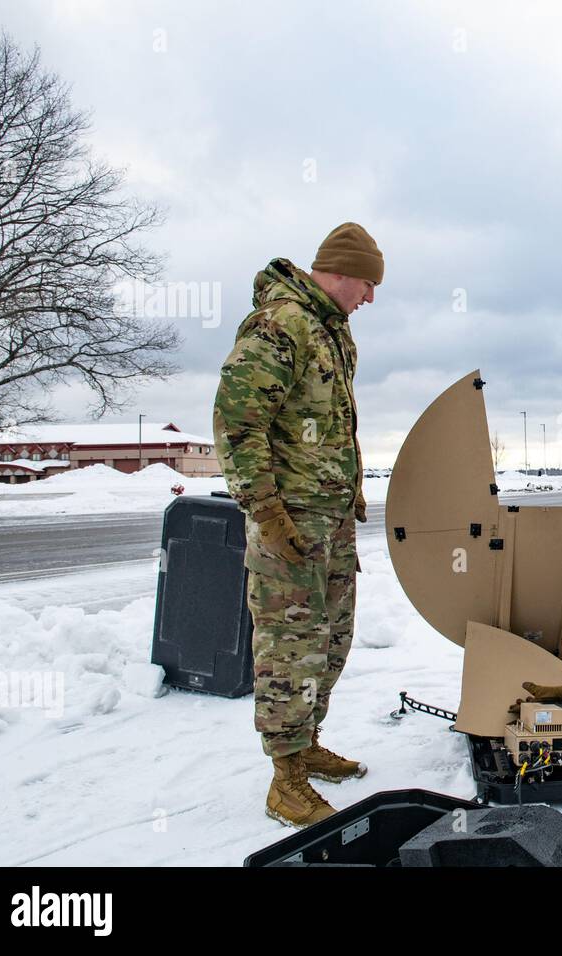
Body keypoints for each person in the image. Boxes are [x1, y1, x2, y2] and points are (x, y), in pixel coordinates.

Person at [213, 222, 383, 828]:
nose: (370, 297)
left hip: (329, 523)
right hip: (289, 526)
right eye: (367, 284)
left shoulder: (332, 333)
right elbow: (238, 427)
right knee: (291, 653)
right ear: (340, 271)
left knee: (331, 644)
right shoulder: (279, 325)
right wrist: (269, 517)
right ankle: (285, 780)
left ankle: (305, 744)